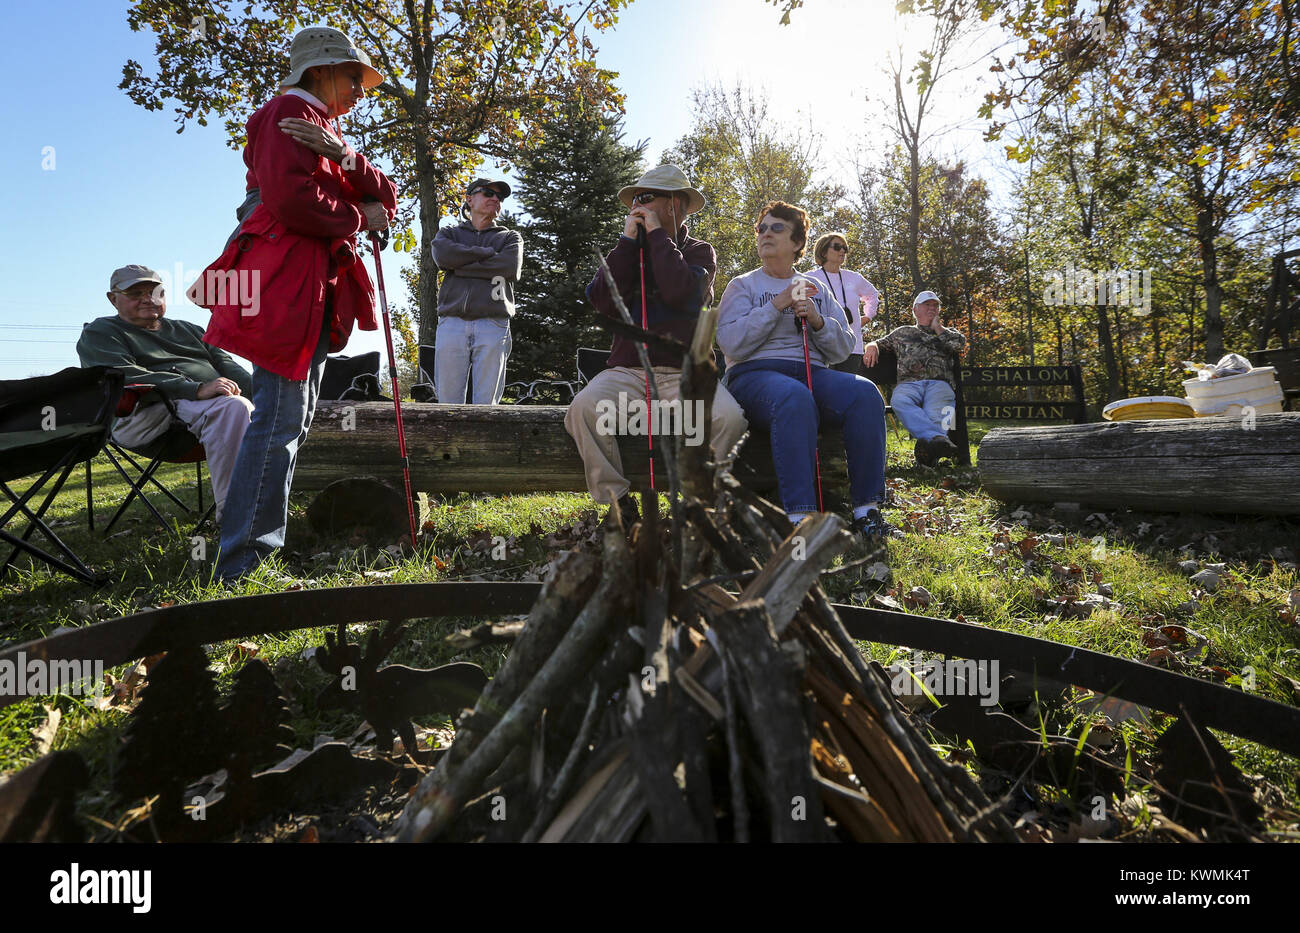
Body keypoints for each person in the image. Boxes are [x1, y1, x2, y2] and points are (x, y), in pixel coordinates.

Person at [189, 26, 396, 582]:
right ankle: (244, 565)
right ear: (319, 72)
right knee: (278, 421)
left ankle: (252, 552)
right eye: (353, 76)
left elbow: (388, 194)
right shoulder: (288, 111)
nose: (360, 89)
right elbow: (291, 198)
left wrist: (347, 156)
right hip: (286, 286)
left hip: (310, 289)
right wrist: (358, 215)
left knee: (292, 419)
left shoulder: (326, 130)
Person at [565, 164, 748, 526]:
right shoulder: (626, 250)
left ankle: (698, 503)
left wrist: (657, 240)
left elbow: (684, 293)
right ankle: (618, 504)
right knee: (583, 409)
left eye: (647, 198)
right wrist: (628, 244)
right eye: (635, 198)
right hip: (627, 371)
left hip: (684, 373)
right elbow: (601, 300)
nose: (638, 204)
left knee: (729, 419)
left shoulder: (700, 252)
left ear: (675, 205)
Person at [717, 201, 890, 540]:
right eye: (761, 228)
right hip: (754, 376)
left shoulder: (818, 289)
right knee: (793, 397)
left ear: (797, 243)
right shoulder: (743, 285)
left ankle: (866, 512)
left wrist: (816, 318)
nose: (765, 233)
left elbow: (842, 348)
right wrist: (777, 304)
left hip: (813, 372)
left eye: (776, 228)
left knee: (866, 392)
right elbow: (732, 344)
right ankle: (800, 519)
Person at [78, 264, 253, 523]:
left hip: (208, 411)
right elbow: (121, 374)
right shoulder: (100, 332)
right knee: (234, 407)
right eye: (136, 293)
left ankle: (280, 501)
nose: (148, 299)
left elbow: (227, 366)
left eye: (155, 291)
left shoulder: (190, 329)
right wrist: (195, 389)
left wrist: (270, 396)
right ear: (113, 299)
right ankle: (238, 521)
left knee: (275, 409)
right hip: (147, 414)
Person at [431, 178, 523, 404]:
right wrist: (488, 253)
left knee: (487, 405)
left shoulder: (510, 237)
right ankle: (448, 441)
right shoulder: (449, 233)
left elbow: (509, 267)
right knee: (448, 403)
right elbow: (443, 256)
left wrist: (460, 265)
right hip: (451, 322)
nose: (495, 199)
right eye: (488, 193)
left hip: (494, 324)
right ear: (469, 199)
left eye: (499, 197)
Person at [863, 290, 966, 467]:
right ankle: (937, 441)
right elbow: (879, 343)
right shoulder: (903, 332)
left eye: (935, 305)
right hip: (909, 384)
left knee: (941, 412)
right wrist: (871, 346)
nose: (932, 308)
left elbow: (958, 345)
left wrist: (938, 328)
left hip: (940, 384)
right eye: (927, 305)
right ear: (915, 309)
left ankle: (928, 457)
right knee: (899, 401)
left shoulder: (949, 333)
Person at [807, 232, 879, 376]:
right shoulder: (810, 278)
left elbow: (873, 295)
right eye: (837, 247)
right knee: (824, 391)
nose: (842, 251)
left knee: (846, 392)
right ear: (823, 251)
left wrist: (868, 316)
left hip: (851, 347)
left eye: (844, 248)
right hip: (822, 347)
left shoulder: (854, 278)